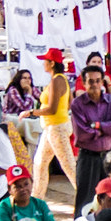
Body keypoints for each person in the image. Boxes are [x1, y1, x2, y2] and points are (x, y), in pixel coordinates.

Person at [69, 62, 111, 213]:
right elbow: (82, 134)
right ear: (83, 83)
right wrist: (107, 129)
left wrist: (97, 126)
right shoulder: (78, 104)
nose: (94, 85)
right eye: (90, 81)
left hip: (110, 157)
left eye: (97, 81)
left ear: (102, 82)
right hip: (88, 158)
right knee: (85, 201)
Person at [28, 54, 81, 203]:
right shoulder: (62, 79)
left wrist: (32, 112)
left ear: (51, 63)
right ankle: (36, 200)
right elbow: (70, 102)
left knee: (69, 166)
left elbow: (51, 109)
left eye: (45, 61)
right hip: (53, 127)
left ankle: (90, 199)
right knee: (40, 163)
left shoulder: (56, 80)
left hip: (55, 128)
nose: (43, 63)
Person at [4, 67, 44, 158]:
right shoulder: (13, 90)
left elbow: (44, 100)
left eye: (29, 78)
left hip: (26, 118)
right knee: (34, 127)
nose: (27, 81)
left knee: (37, 125)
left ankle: (34, 155)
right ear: (19, 79)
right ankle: (31, 157)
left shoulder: (32, 88)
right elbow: (24, 107)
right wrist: (29, 93)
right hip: (12, 119)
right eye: (24, 78)